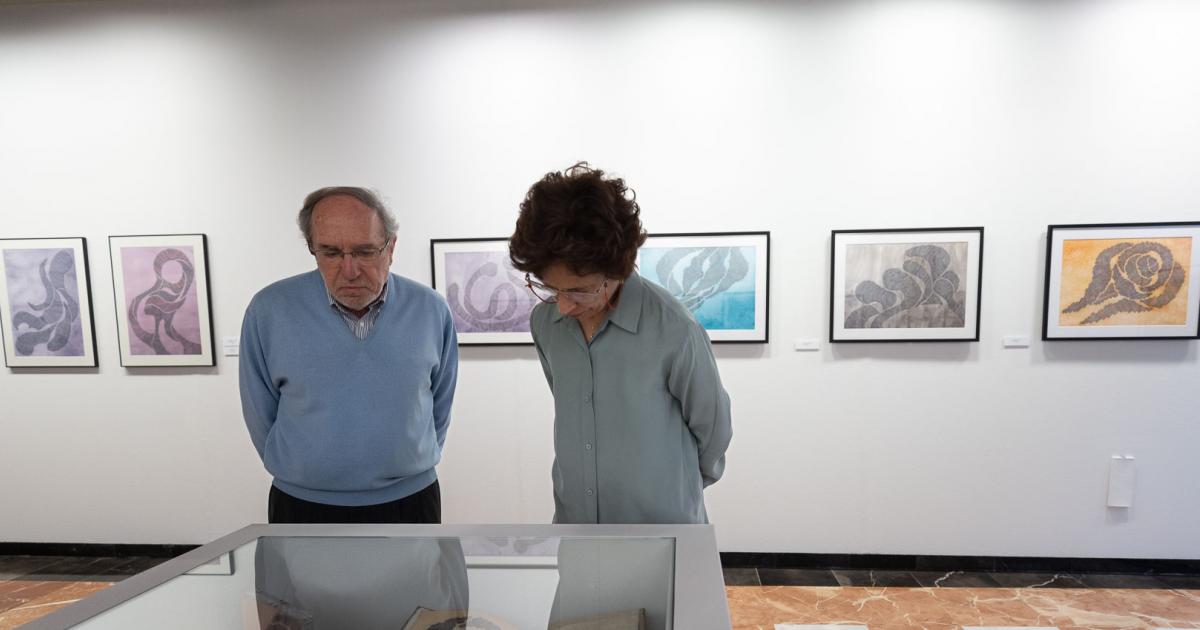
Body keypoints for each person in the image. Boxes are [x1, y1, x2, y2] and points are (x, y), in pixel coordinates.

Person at [508, 163, 733, 524]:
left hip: (661, 531)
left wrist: (672, 485)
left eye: (580, 291)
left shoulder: (675, 330)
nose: (563, 306)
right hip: (576, 527)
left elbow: (714, 431)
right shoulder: (545, 323)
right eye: (552, 288)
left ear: (618, 268)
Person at [239, 186, 458, 524]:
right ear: (312, 250)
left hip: (410, 501)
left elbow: (439, 405)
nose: (350, 270)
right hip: (301, 505)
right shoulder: (269, 311)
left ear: (391, 247)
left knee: (414, 580)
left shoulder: (430, 310)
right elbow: (260, 412)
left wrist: (406, 460)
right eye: (330, 252)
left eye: (365, 251)